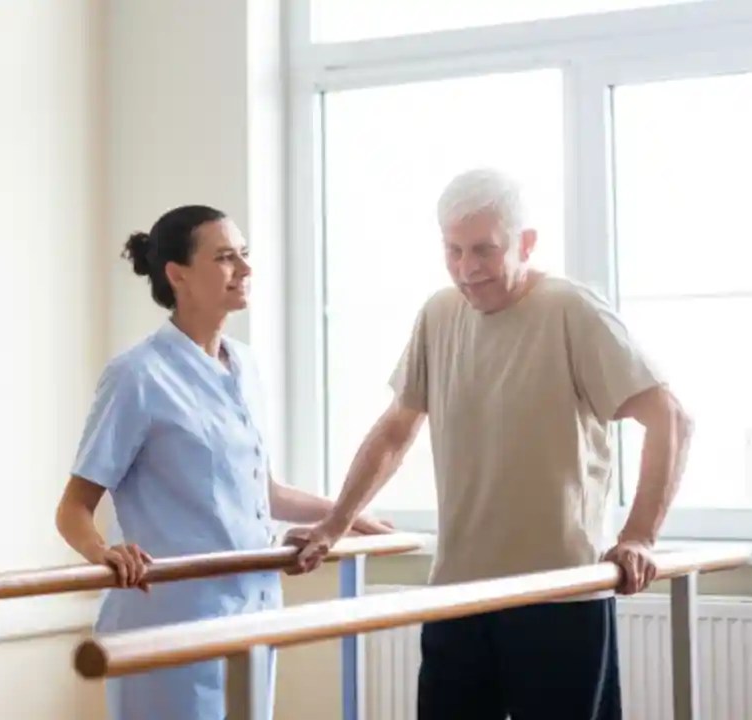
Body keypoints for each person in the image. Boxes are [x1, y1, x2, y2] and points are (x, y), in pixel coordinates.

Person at [284, 169, 692, 719]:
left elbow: (670, 417)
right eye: (452, 251)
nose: (467, 270)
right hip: (457, 592)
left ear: (525, 243)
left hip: (558, 595)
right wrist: (335, 524)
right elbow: (395, 430)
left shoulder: (571, 309)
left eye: (484, 250)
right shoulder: (438, 313)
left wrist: (639, 535)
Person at [56, 204, 391, 720]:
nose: (245, 269)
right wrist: (103, 551)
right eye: (226, 258)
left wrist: (344, 516)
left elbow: (266, 492)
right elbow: (74, 506)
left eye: (245, 255)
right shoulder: (137, 376)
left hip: (253, 612)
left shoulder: (246, 366)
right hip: (168, 624)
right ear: (178, 275)